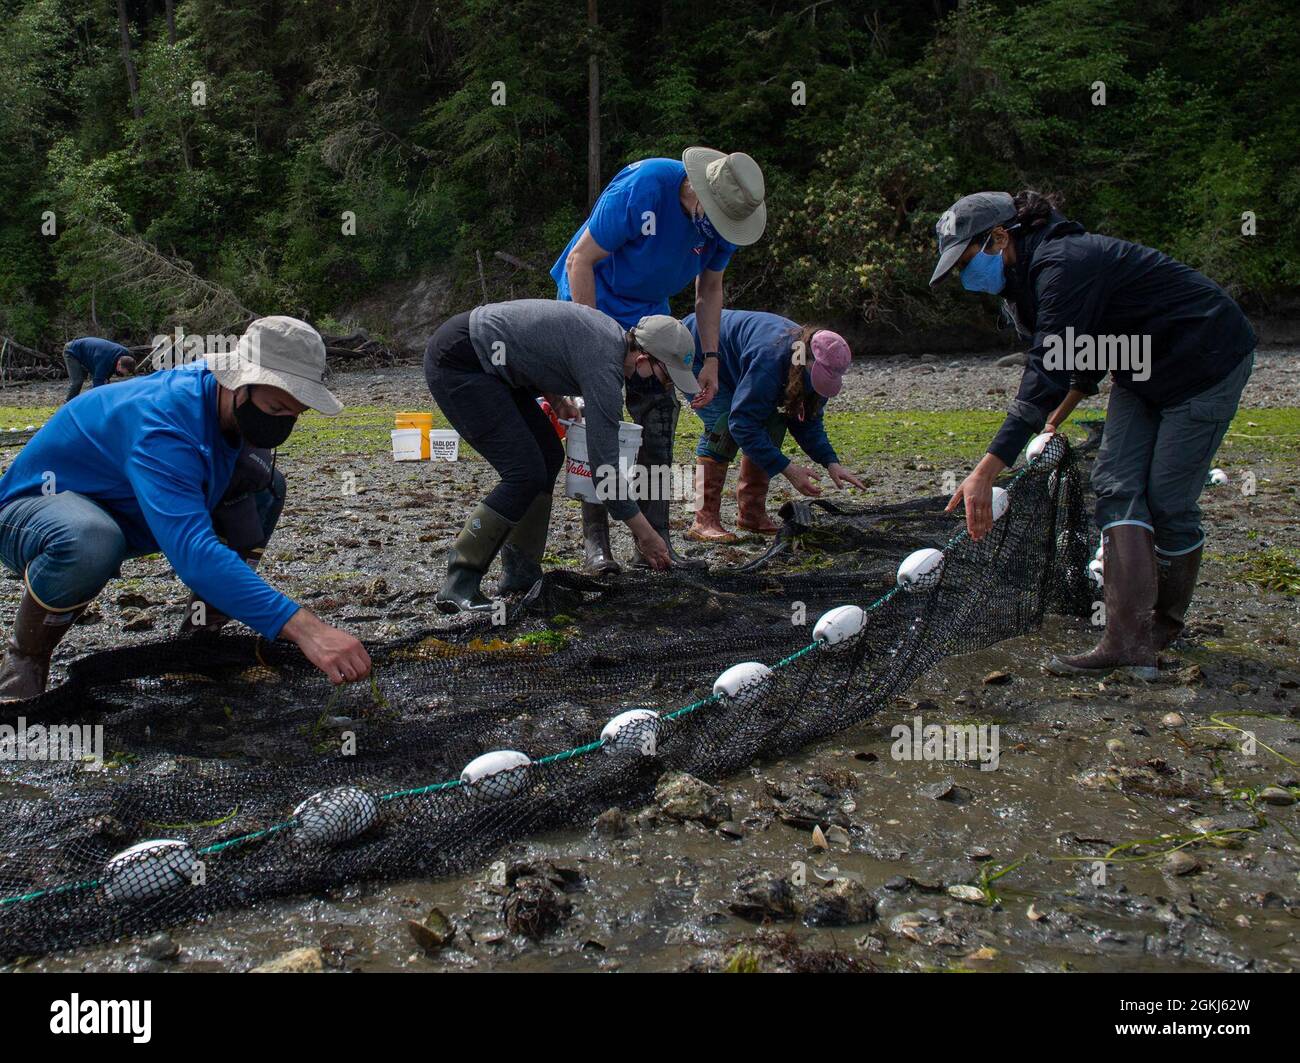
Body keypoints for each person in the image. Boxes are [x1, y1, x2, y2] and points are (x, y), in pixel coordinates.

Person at [932, 190, 1256, 678]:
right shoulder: (1027, 280)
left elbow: (1047, 367)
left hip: (1207, 360)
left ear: (999, 237)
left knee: (1167, 500)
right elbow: (1081, 357)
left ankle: (1163, 626)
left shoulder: (1065, 262)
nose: (964, 275)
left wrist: (987, 468)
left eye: (967, 261)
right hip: (1140, 369)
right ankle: (1125, 640)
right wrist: (1056, 416)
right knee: (1116, 484)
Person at [0, 316, 371, 700]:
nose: (284, 423)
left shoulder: (223, 404)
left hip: (129, 503)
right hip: (34, 513)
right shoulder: (164, 426)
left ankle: (200, 638)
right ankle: (25, 658)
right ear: (238, 382)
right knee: (91, 540)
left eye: (296, 414)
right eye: (276, 407)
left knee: (265, 486)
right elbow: (194, 553)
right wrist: (308, 629)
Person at [552, 147, 767, 572]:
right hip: (592, 300)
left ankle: (656, 540)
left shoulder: (723, 225)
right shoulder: (644, 187)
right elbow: (581, 260)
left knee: (659, 417)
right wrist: (595, 344)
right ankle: (598, 544)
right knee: (602, 419)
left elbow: (709, 291)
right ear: (700, 192)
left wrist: (710, 358)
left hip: (650, 314)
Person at [424, 300, 699, 612]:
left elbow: (537, 348)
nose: (663, 387)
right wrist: (645, 535)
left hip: (495, 366)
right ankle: (459, 582)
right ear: (643, 359)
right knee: (524, 472)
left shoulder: (610, 343)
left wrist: (556, 401)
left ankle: (521, 574)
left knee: (548, 454)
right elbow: (605, 473)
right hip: (461, 360)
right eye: (664, 378)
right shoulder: (605, 366)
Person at [682, 310, 866, 540]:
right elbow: (741, 423)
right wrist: (787, 468)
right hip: (696, 349)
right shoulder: (771, 359)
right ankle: (703, 519)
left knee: (775, 420)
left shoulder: (809, 366)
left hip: (734, 360)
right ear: (806, 360)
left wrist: (830, 461)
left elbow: (806, 419)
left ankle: (751, 514)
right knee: (722, 427)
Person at [62, 336, 136, 402]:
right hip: (72, 351)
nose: (123, 375)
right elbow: (97, 386)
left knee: (104, 382)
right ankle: (67, 405)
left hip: (90, 353)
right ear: (119, 364)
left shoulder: (126, 354)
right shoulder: (104, 362)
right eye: (124, 372)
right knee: (77, 381)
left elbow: (106, 377)